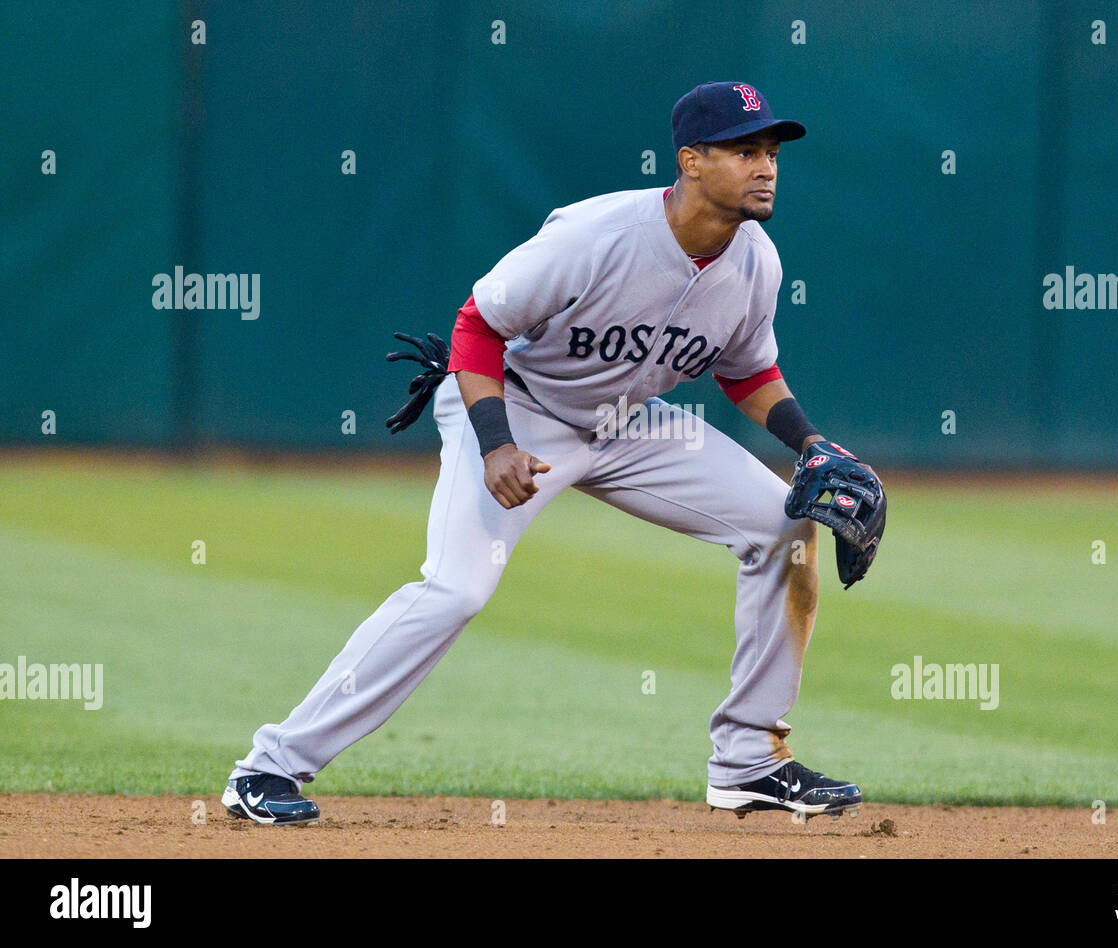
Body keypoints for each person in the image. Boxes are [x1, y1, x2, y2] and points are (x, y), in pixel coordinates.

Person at [222, 81, 872, 825]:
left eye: (772, 152)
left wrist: (812, 444)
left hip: (633, 423)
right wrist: (495, 443)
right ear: (691, 161)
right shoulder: (597, 234)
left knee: (784, 527)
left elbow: (747, 371)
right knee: (456, 590)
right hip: (517, 405)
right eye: (744, 150)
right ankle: (268, 768)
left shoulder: (755, 261)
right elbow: (476, 327)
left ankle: (751, 761)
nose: (766, 167)